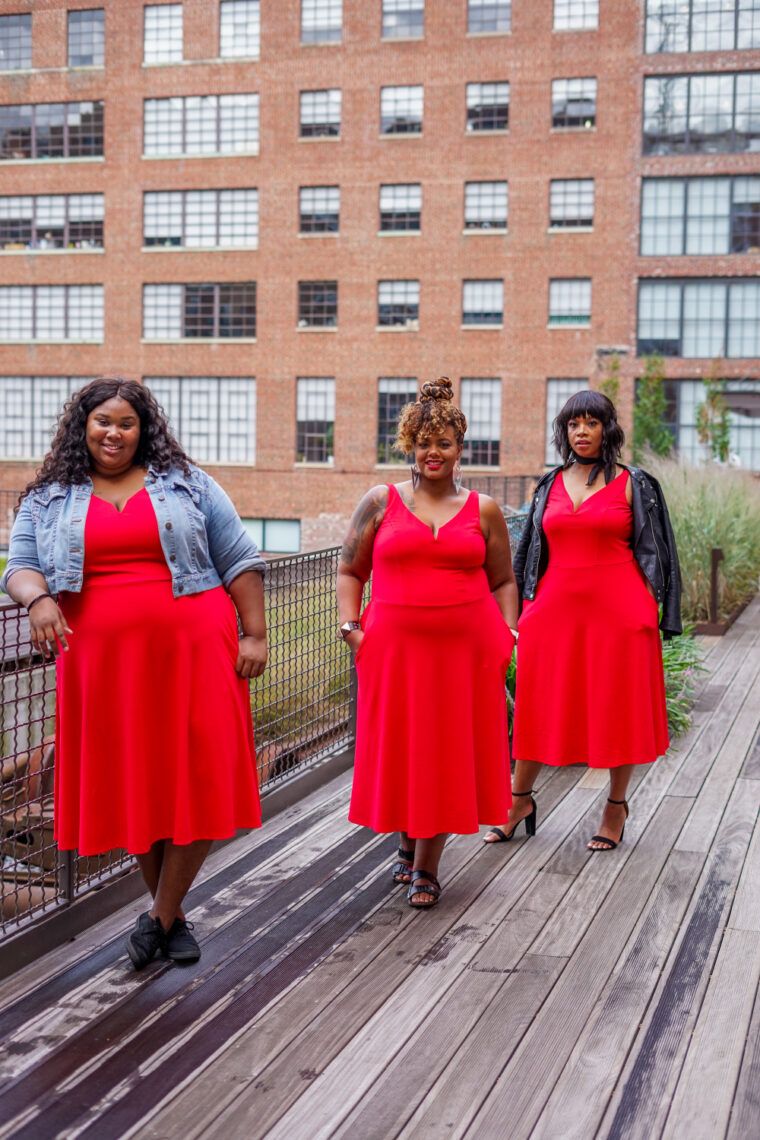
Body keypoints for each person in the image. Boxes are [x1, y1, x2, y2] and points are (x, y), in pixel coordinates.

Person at [1, 378, 267, 968]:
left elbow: (241, 558)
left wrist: (255, 633)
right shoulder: (48, 496)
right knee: (129, 779)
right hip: (101, 660)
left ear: (143, 428)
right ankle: (168, 917)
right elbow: (19, 566)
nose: (113, 432)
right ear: (83, 427)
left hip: (194, 646)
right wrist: (39, 598)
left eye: (125, 422)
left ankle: (159, 917)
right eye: (102, 422)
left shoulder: (188, 483)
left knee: (198, 772)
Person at [337, 378, 517, 908]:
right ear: (409, 445)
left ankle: (426, 865)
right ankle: (406, 839)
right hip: (391, 651)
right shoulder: (379, 501)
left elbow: (504, 580)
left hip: (465, 656)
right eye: (423, 442)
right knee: (402, 747)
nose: (432, 452)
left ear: (461, 449)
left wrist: (509, 634)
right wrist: (351, 629)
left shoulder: (483, 509)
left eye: (443, 443)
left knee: (445, 751)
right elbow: (350, 568)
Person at [484, 390, 680, 851]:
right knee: (537, 706)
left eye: (591, 423)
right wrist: (516, 619)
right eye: (574, 424)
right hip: (551, 614)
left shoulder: (636, 482)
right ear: (564, 431)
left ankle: (615, 807)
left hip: (620, 615)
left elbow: (658, 553)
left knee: (618, 709)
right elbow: (525, 555)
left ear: (607, 429)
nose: (582, 432)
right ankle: (519, 801)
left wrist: (648, 610)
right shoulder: (549, 484)